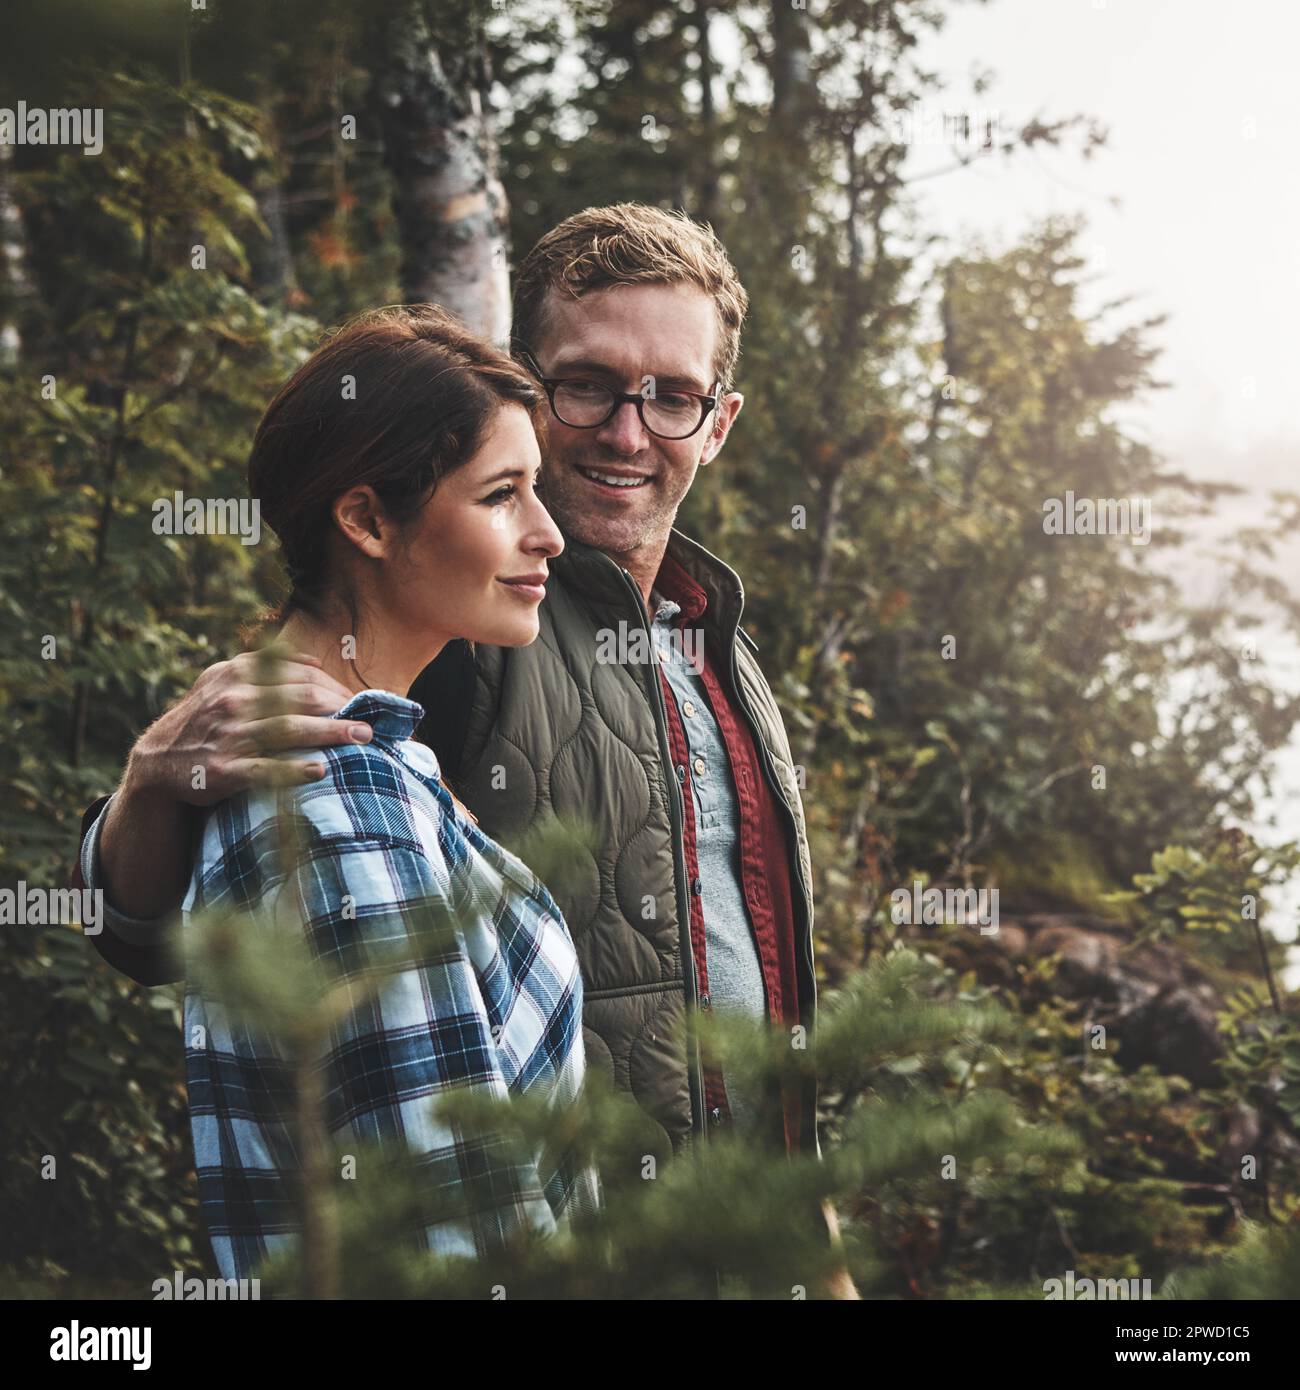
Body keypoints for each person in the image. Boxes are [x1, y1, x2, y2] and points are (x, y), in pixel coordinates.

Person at [74, 203, 856, 1290]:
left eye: (671, 396)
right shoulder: (469, 610)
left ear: (716, 422)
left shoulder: (719, 647)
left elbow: (760, 985)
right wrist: (148, 790)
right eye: (586, 383)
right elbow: (222, 910)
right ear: (529, 388)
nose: (628, 431)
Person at [172, 304, 598, 1281]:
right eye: (501, 495)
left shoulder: (355, 762)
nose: (548, 535)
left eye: (537, 490)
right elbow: (456, 1239)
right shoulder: (346, 809)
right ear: (365, 519)